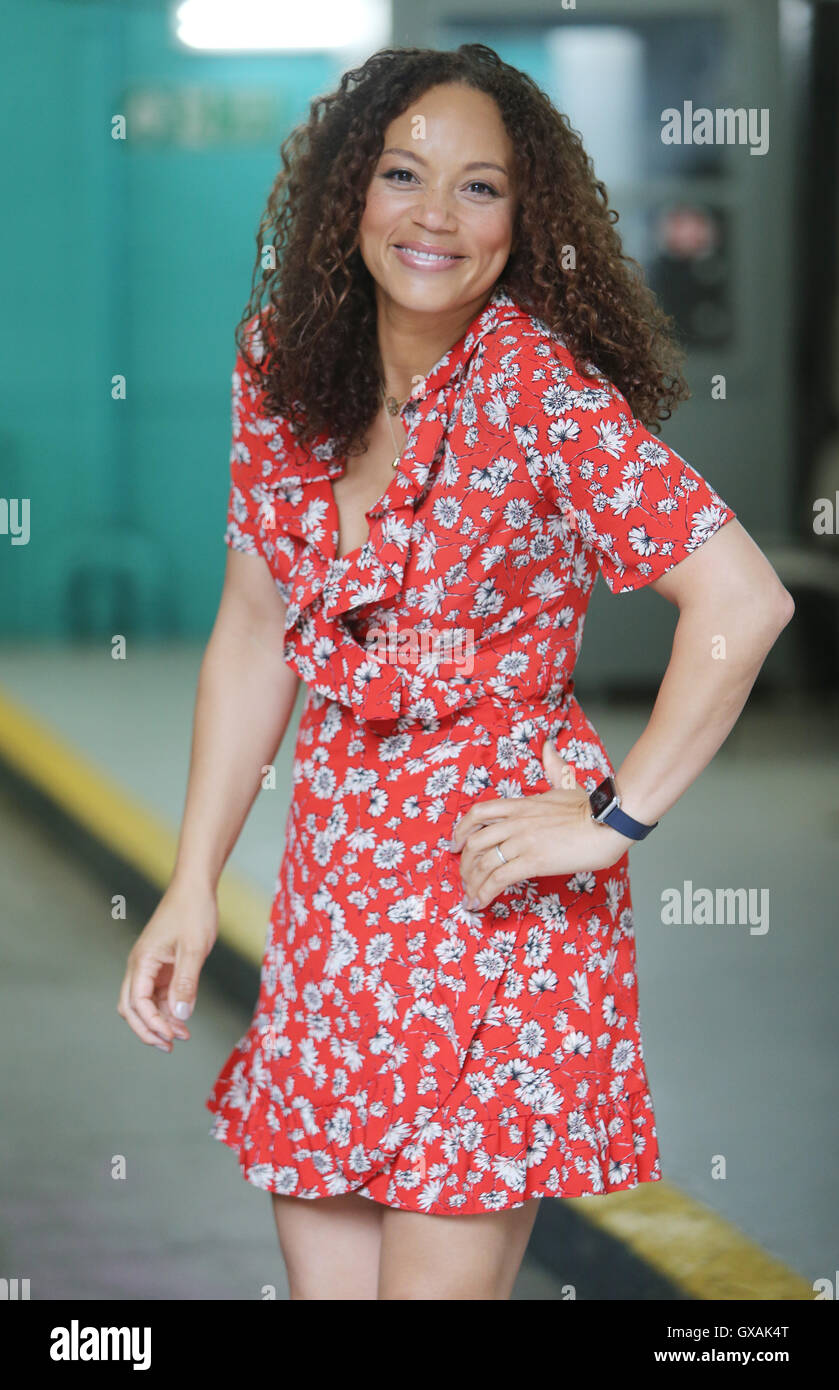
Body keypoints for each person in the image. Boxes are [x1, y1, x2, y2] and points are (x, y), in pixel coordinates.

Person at [117, 44, 794, 1301]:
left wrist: (613, 819)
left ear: (523, 220)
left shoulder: (535, 389)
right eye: (402, 173)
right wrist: (190, 883)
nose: (434, 215)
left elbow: (741, 600)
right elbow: (256, 627)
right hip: (335, 890)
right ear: (347, 196)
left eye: (479, 188)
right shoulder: (280, 368)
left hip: (497, 896)